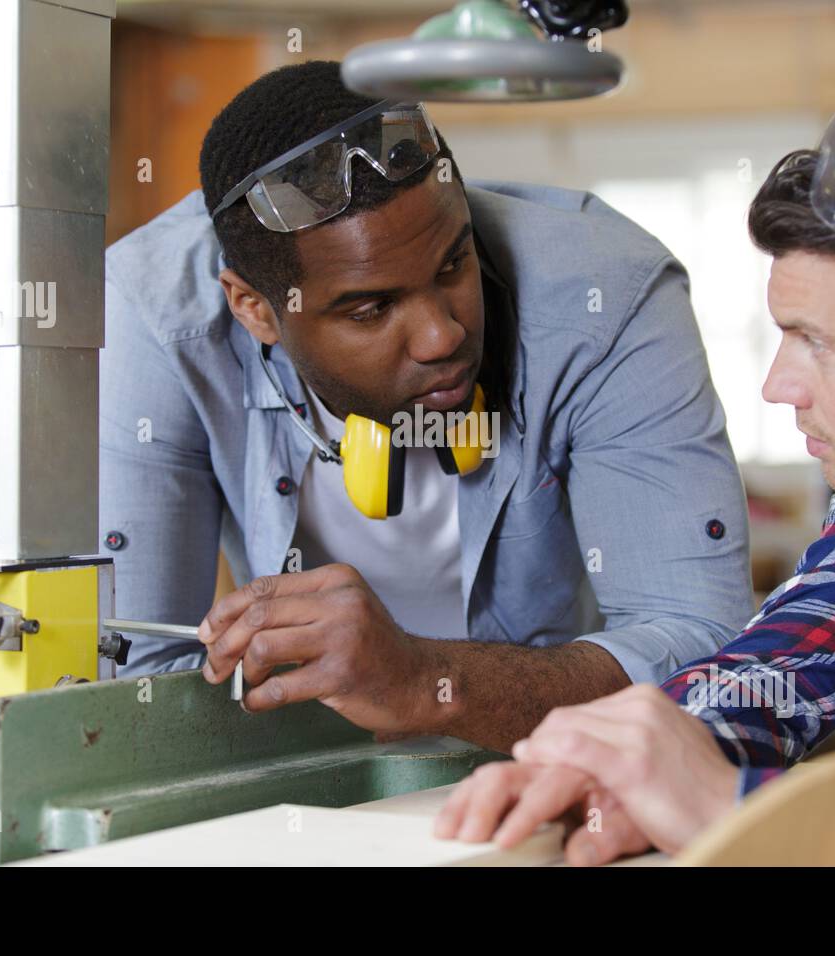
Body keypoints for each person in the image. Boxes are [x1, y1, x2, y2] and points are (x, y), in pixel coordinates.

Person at [436, 92, 835, 864]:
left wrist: (761, 816)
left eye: (816, 343)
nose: (778, 386)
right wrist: (630, 758)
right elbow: (786, 665)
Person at [99, 61, 753, 750]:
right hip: (308, 773)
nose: (443, 335)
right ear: (255, 310)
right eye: (371, 308)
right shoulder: (157, 322)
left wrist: (422, 682)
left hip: (553, 762)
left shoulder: (605, 294)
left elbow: (706, 657)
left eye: (453, 265)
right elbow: (138, 676)